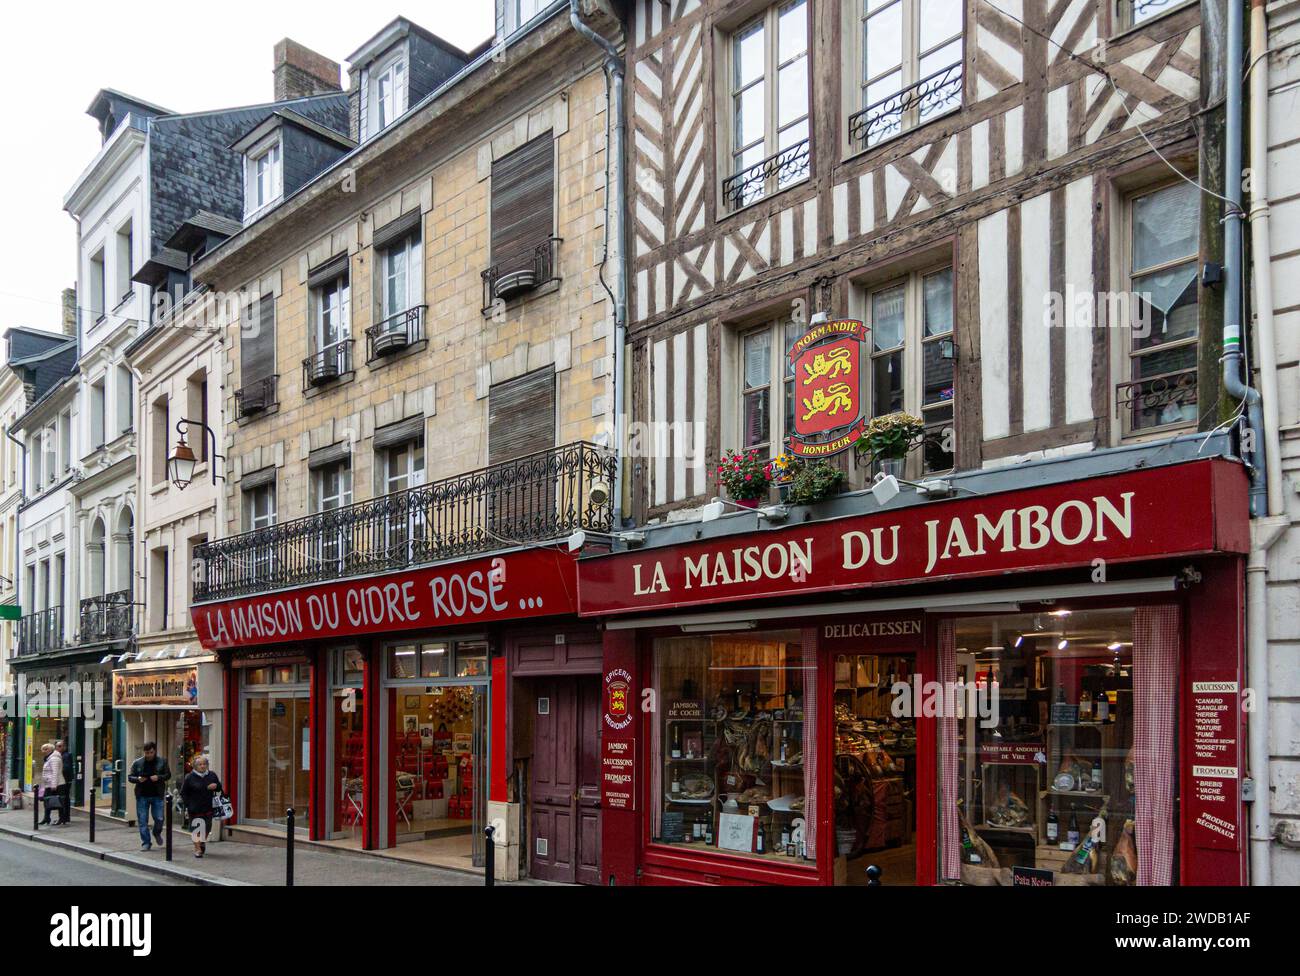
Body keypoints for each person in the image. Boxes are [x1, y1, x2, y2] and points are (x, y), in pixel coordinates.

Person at [127, 741, 171, 851]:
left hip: (157, 794)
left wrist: (159, 777)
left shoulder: (162, 761)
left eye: (151, 752)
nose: (149, 755)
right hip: (142, 795)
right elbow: (130, 777)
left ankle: (156, 832)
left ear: (154, 751)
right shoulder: (137, 763)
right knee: (142, 820)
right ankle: (146, 843)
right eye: (146, 753)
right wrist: (138, 779)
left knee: (159, 818)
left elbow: (168, 775)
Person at [179, 755, 223, 858]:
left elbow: (219, 787)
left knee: (207, 828)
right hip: (194, 808)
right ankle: (197, 849)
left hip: (208, 807)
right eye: (200, 764)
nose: (202, 766)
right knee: (196, 829)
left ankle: (202, 842)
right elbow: (183, 793)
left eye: (204, 764)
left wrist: (216, 786)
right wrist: (188, 804)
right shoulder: (189, 777)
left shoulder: (212, 775)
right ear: (195, 766)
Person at [38, 744, 64, 826]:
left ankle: (61, 818)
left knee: (58, 802)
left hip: (56, 784)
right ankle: (46, 818)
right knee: (47, 801)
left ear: (50, 750)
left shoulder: (54, 758)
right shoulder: (49, 758)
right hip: (49, 784)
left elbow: (55, 772)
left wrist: (54, 785)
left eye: (45, 749)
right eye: (42, 749)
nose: (43, 751)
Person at [54, 739, 72, 825]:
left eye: (61, 746)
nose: (59, 748)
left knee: (63, 799)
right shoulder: (59, 756)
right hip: (63, 780)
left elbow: (66, 768)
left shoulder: (65, 756)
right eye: (58, 746)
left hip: (64, 781)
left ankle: (64, 817)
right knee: (64, 799)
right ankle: (65, 817)